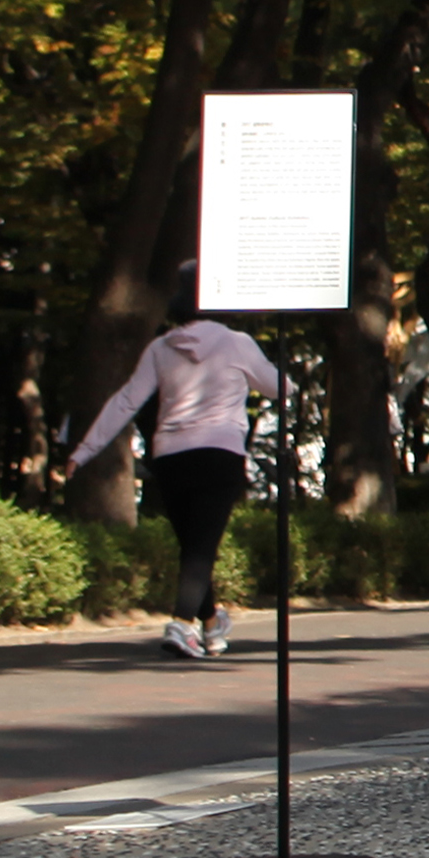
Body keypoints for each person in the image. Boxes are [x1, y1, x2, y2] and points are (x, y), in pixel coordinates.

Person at [71, 282, 282, 661]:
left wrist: (85, 449)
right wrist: (289, 383)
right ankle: (182, 623)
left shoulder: (160, 347)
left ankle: (213, 621)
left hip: (171, 457)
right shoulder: (238, 342)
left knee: (193, 546)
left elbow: (126, 401)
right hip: (219, 454)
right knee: (201, 547)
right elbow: (275, 388)